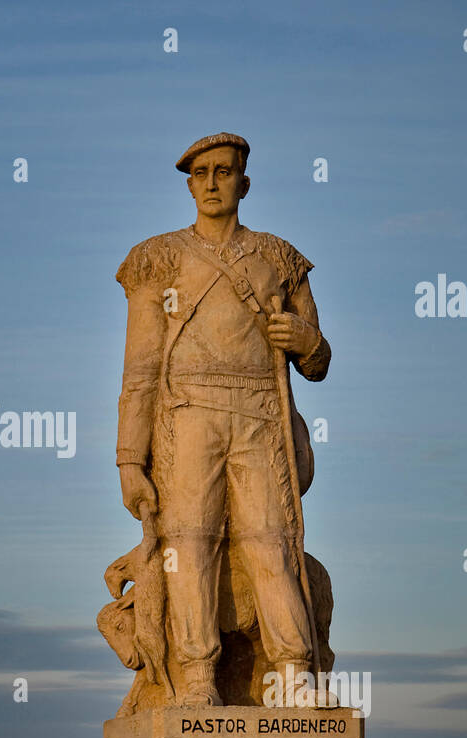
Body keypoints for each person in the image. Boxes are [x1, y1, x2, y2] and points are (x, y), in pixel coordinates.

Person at [114, 132, 332, 707]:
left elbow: (318, 363)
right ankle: (197, 677)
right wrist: (129, 459)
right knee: (190, 543)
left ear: (245, 181)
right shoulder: (155, 258)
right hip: (186, 416)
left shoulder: (279, 257)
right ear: (189, 184)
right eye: (202, 173)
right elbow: (139, 371)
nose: (212, 183)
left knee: (272, 543)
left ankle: (294, 672)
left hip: (260, 413)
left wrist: (306, 339)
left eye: (224, 171)